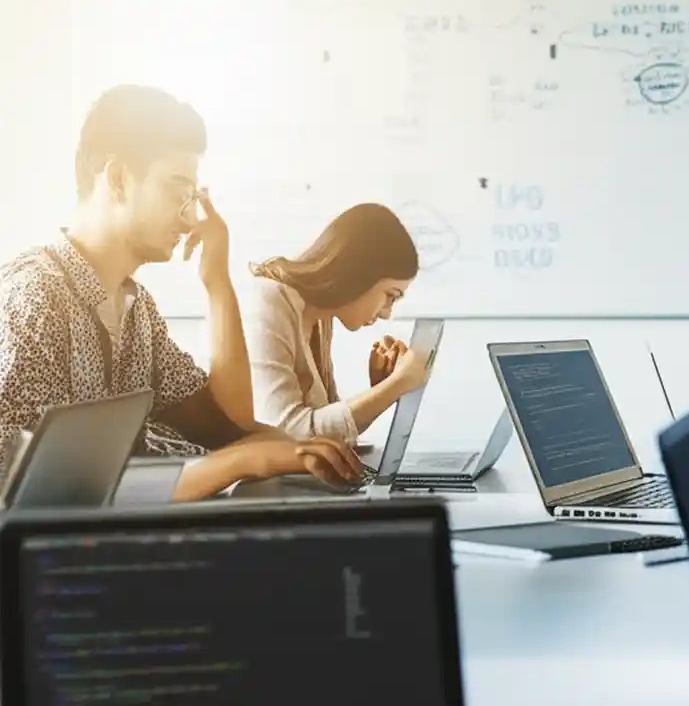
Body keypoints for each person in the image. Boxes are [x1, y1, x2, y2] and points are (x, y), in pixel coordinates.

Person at [0, 84, 364, 501]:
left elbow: (230, 419)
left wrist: (217, 282)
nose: (191, 217)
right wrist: (248, 461)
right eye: (178, 192)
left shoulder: (137, 309)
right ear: (118, 178)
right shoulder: (33, 300)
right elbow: (22, 490)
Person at [242, 203, 430, 442]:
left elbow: (327, 437)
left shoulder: (320, 319)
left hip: (296, 479)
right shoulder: (269, 300)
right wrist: (396, 385)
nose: (386, 313)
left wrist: (381, 390)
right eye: (390, 296)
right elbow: (286, 434)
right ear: (359, 274)